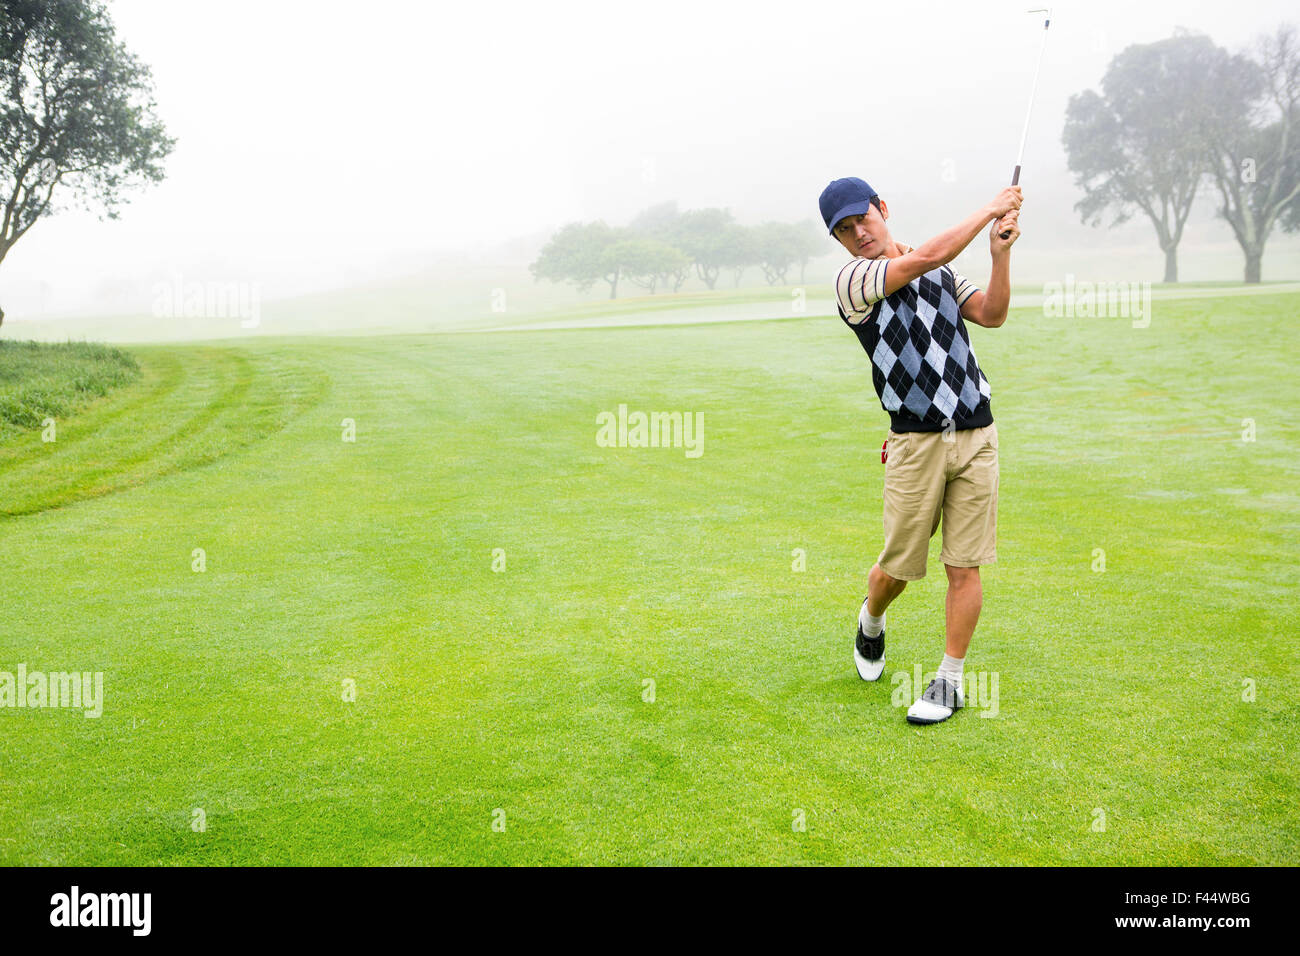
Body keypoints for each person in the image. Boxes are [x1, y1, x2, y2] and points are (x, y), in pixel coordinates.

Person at [818, 176, 1021, 725]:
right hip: (915, 442)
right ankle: (871, 619)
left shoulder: (942, 271)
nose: (858, 232)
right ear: (837, 242)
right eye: (843, 229)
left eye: (863, 218)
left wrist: (999, 256)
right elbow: (924, 258)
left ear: (882, 209)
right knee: (899, 570)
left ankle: (948, 682)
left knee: (965, 567)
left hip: (977, 433)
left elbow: (992, 314)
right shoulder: (855, 282)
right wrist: (990, 207)